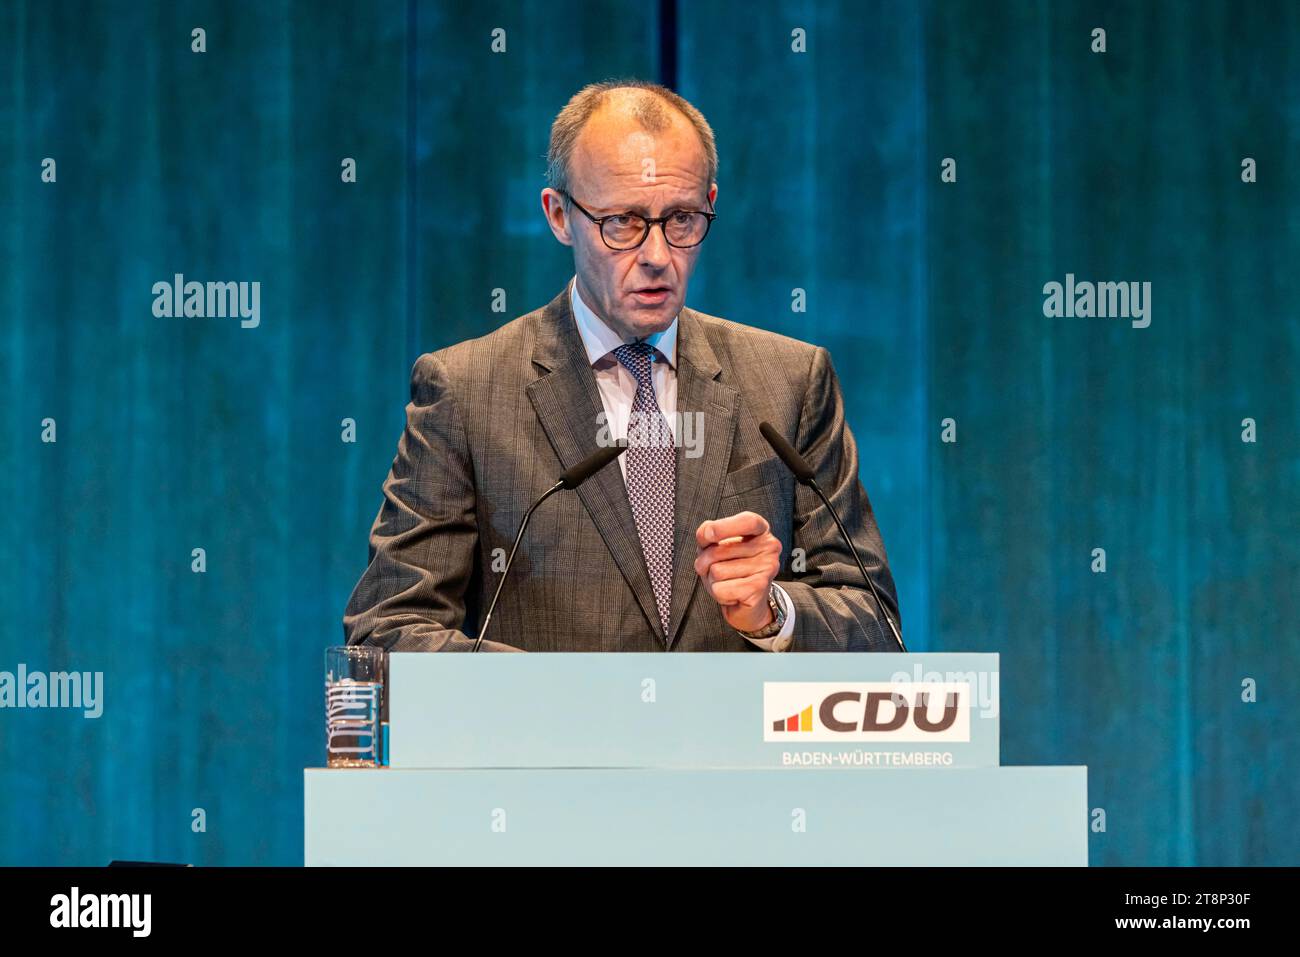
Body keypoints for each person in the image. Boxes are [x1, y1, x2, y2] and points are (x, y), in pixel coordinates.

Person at [343, 79, 899, 652]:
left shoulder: (791, 381)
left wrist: (771, 610)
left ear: (710, 202)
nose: (658, 256)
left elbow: (875, 624)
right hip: (553, 741)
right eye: (623, 223)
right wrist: (575, 701)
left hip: (734, 742)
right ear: (559, 215)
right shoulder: (467, 391)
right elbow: (388, 631)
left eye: (682, 219)